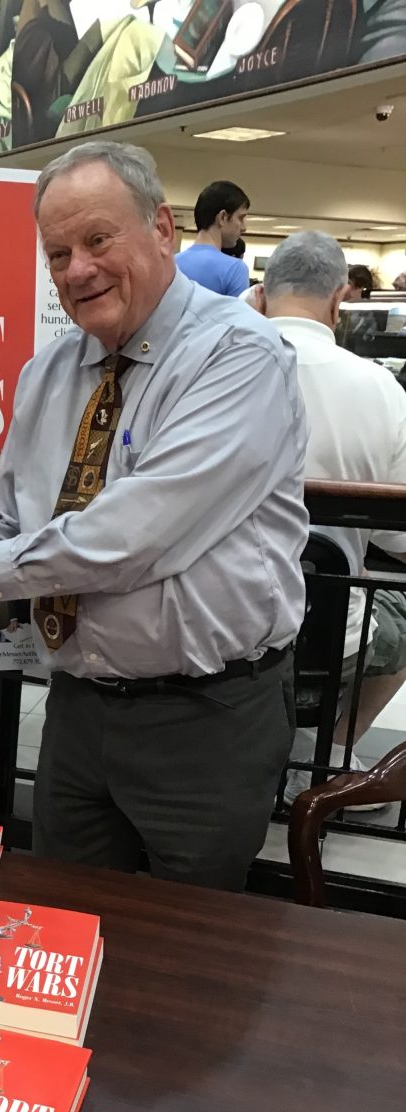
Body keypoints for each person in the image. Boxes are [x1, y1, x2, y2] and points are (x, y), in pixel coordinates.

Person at [0, 142, 308, 892]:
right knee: (60, 929)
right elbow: (6, 511)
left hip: (207, 720)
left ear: (161, 228)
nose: (77, 270)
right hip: (78, 712)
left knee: (187, 962)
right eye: (58, 253)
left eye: (97, 240)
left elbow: (135, 536)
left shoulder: (240, 356)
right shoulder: (48, 372)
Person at [261, 232, 406, 806]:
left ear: (263, 292)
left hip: (214, 628)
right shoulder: (382, 390)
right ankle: (333, 758)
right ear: (339, 299)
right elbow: (399, 539)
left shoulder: (208, 368)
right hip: (331, 629)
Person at [175, 180, 251, 297]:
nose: (244, 228)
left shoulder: (171, 264)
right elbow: (239, 315)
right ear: (222, 217)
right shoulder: (235, 270)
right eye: (240, 218)